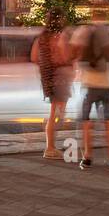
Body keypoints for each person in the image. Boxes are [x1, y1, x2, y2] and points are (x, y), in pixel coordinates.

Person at [71, 10, 109, 169]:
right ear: (105, 18)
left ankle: (87, 157)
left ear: (93, 18)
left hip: (89, 83)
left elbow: (73, 51)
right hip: (106, 83)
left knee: (86, 121)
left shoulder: (83, 31)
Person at [31, 9, 73, 159]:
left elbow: (34, 57)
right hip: (59, 78)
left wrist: (46, 66)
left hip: (48, 78)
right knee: (57, 114)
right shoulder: (59, 36)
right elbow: (65, 57)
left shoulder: (41, 38)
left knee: (56, 112)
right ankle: (50, 147)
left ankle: (51, 143)